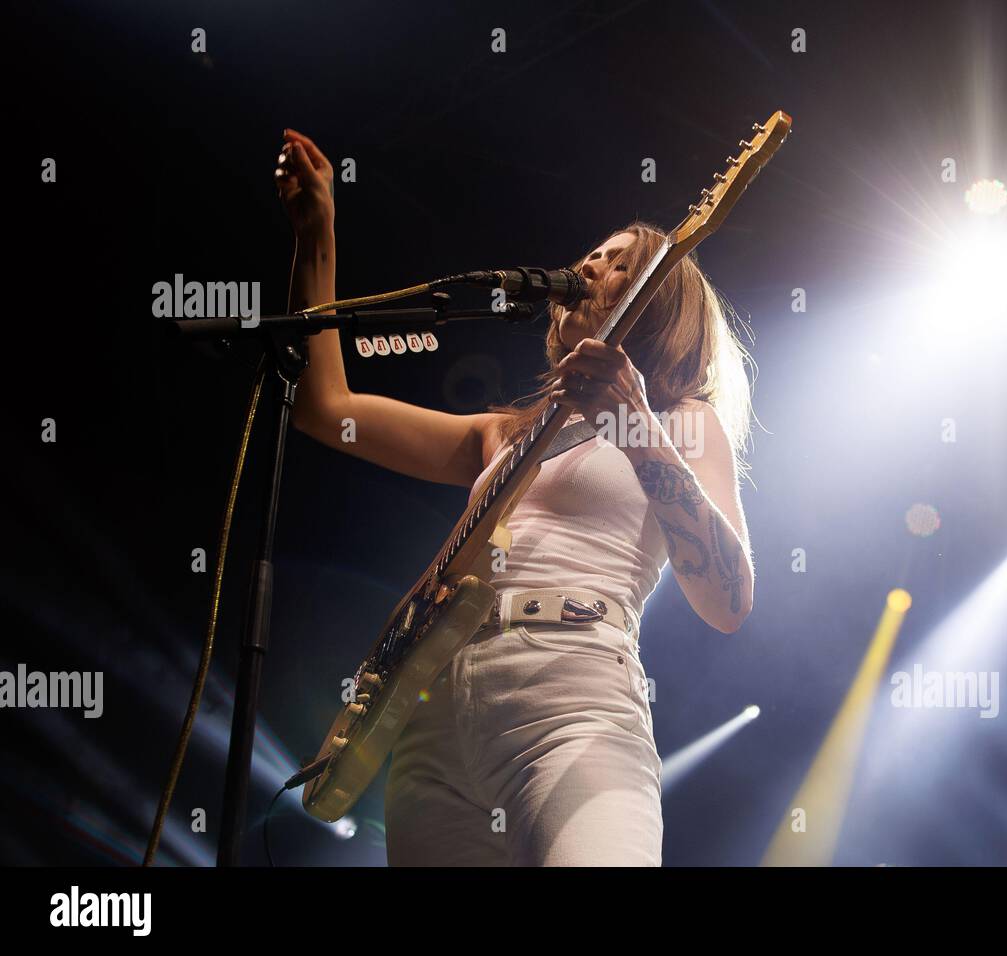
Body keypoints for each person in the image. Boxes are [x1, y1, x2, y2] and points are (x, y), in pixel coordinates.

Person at [275, 128, 755, 865]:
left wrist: (630, 422)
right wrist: (318, 235)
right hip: (433, 712)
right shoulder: (500, 434)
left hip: (572, 691)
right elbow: (325, 407)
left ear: (662, 304)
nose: (591, 263)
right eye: (592, 253)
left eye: (620, 263)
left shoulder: (683, 420)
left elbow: (728, 598)